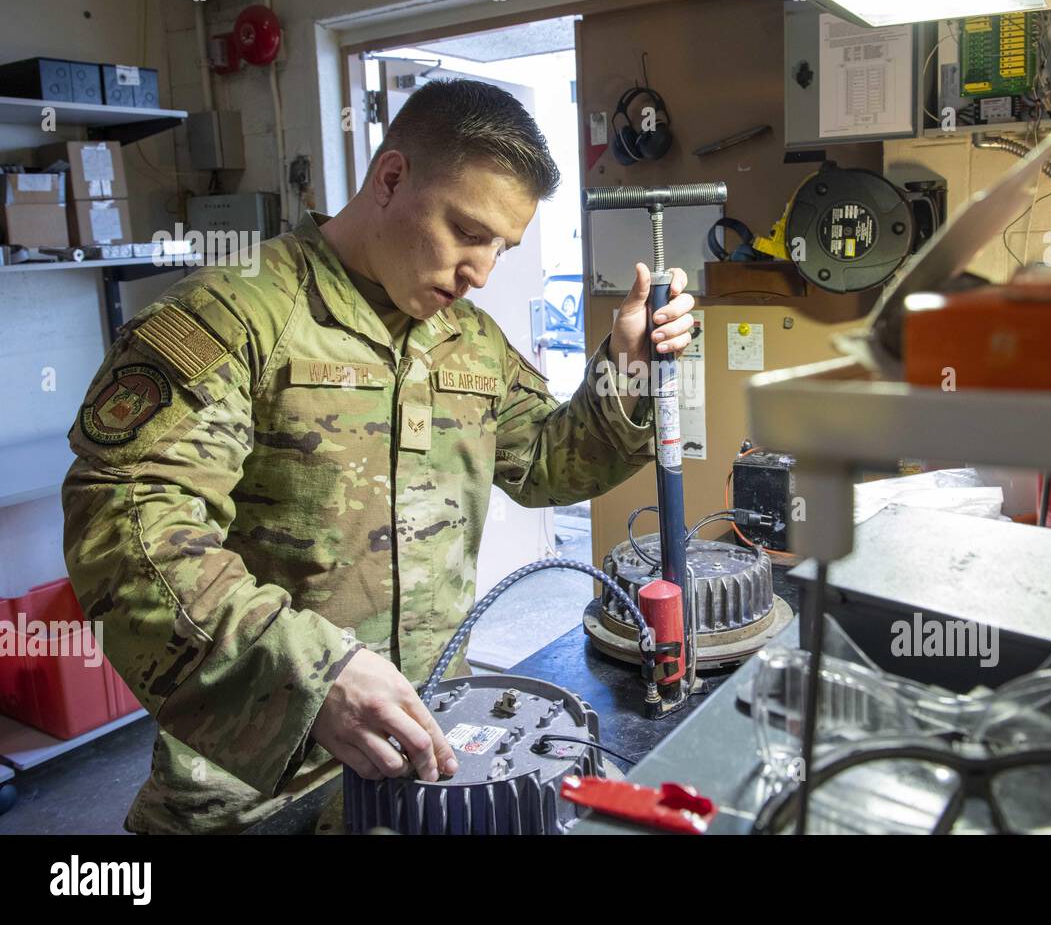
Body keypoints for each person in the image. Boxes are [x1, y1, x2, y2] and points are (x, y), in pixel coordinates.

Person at [61, 79, 696, 833]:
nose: (481, 272)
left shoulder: (471, 341)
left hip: (424, 760)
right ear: (390, 178)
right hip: (256, 785)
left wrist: (623, 365)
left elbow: (551, 465)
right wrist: (309, 675)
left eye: (503, 247)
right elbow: (126, 527)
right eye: (467, 230)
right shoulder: (236, 316)